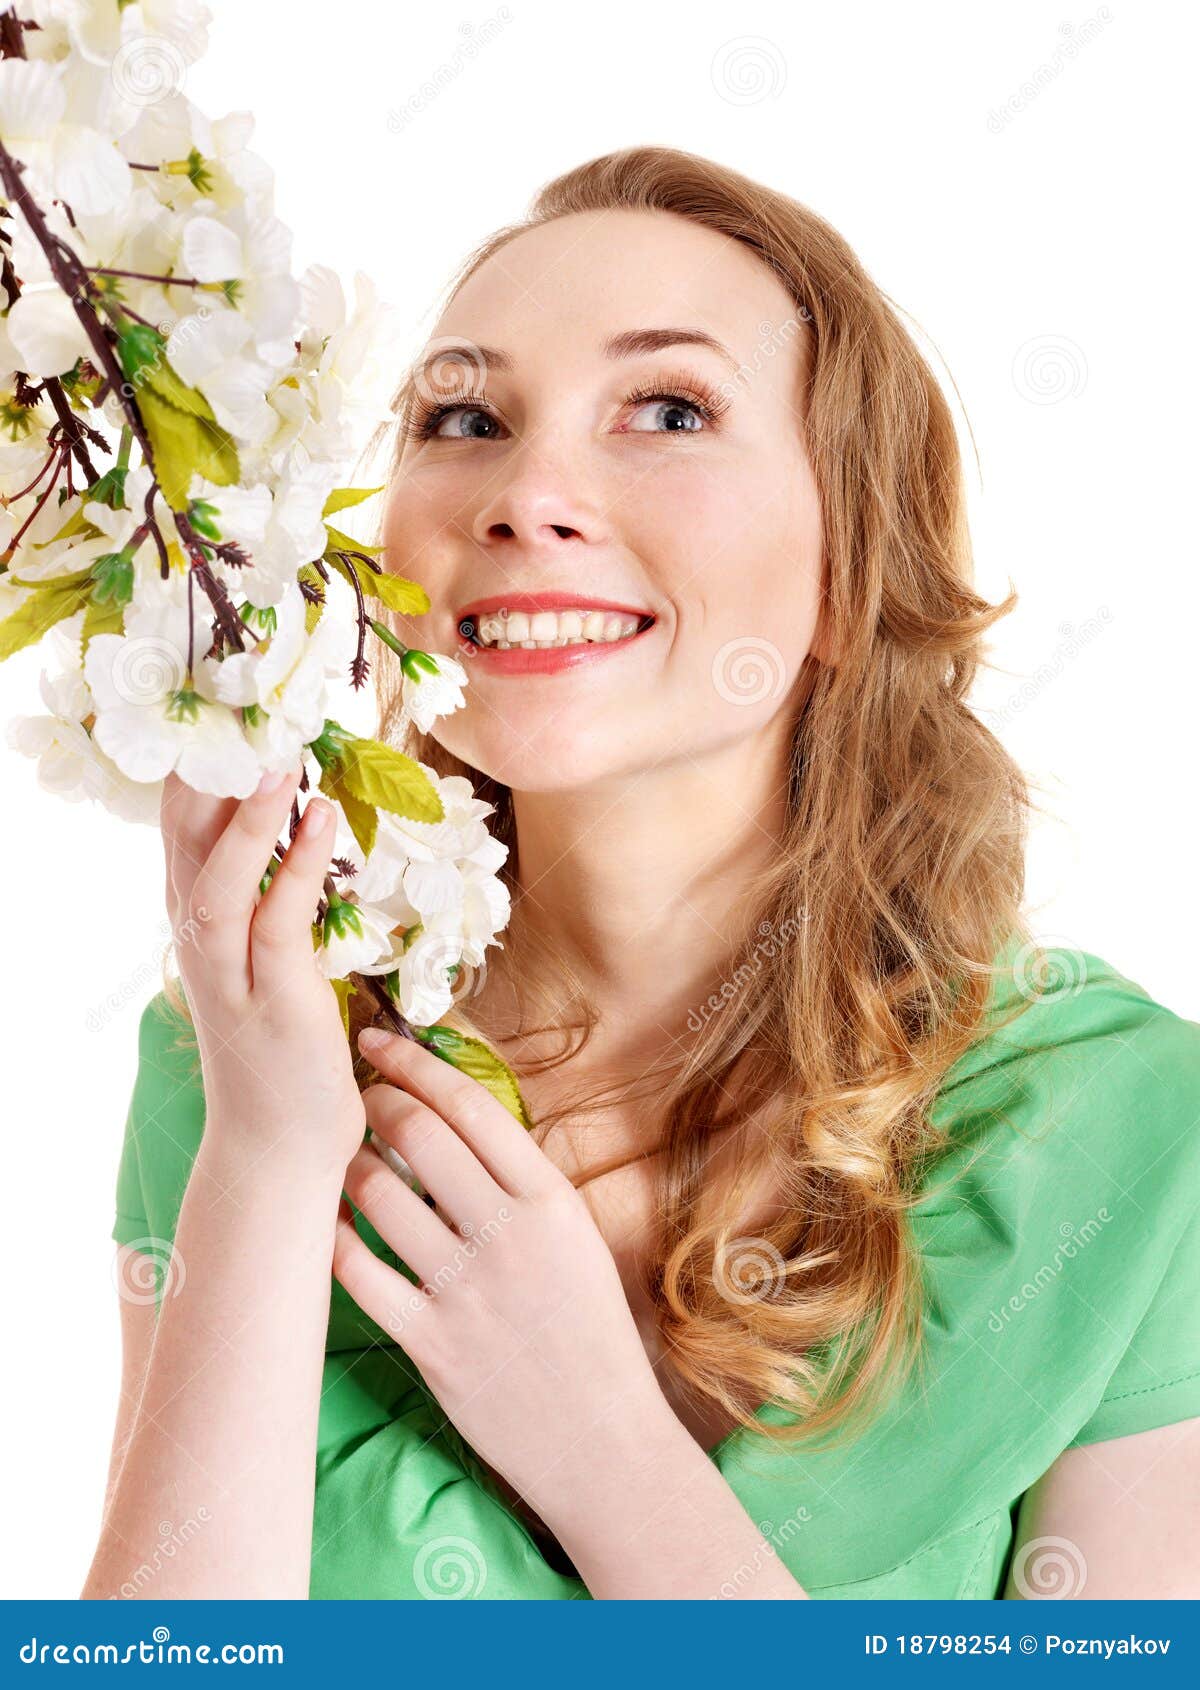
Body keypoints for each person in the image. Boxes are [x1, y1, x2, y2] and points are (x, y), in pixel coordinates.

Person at [83, 146, 1200, 1601]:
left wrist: (601, 1448)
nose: (527, 494)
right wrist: (271, 1153)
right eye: (467, 418)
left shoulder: (1122, 1138)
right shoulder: (242, 1064)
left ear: (849, 570)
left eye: (669, 410)